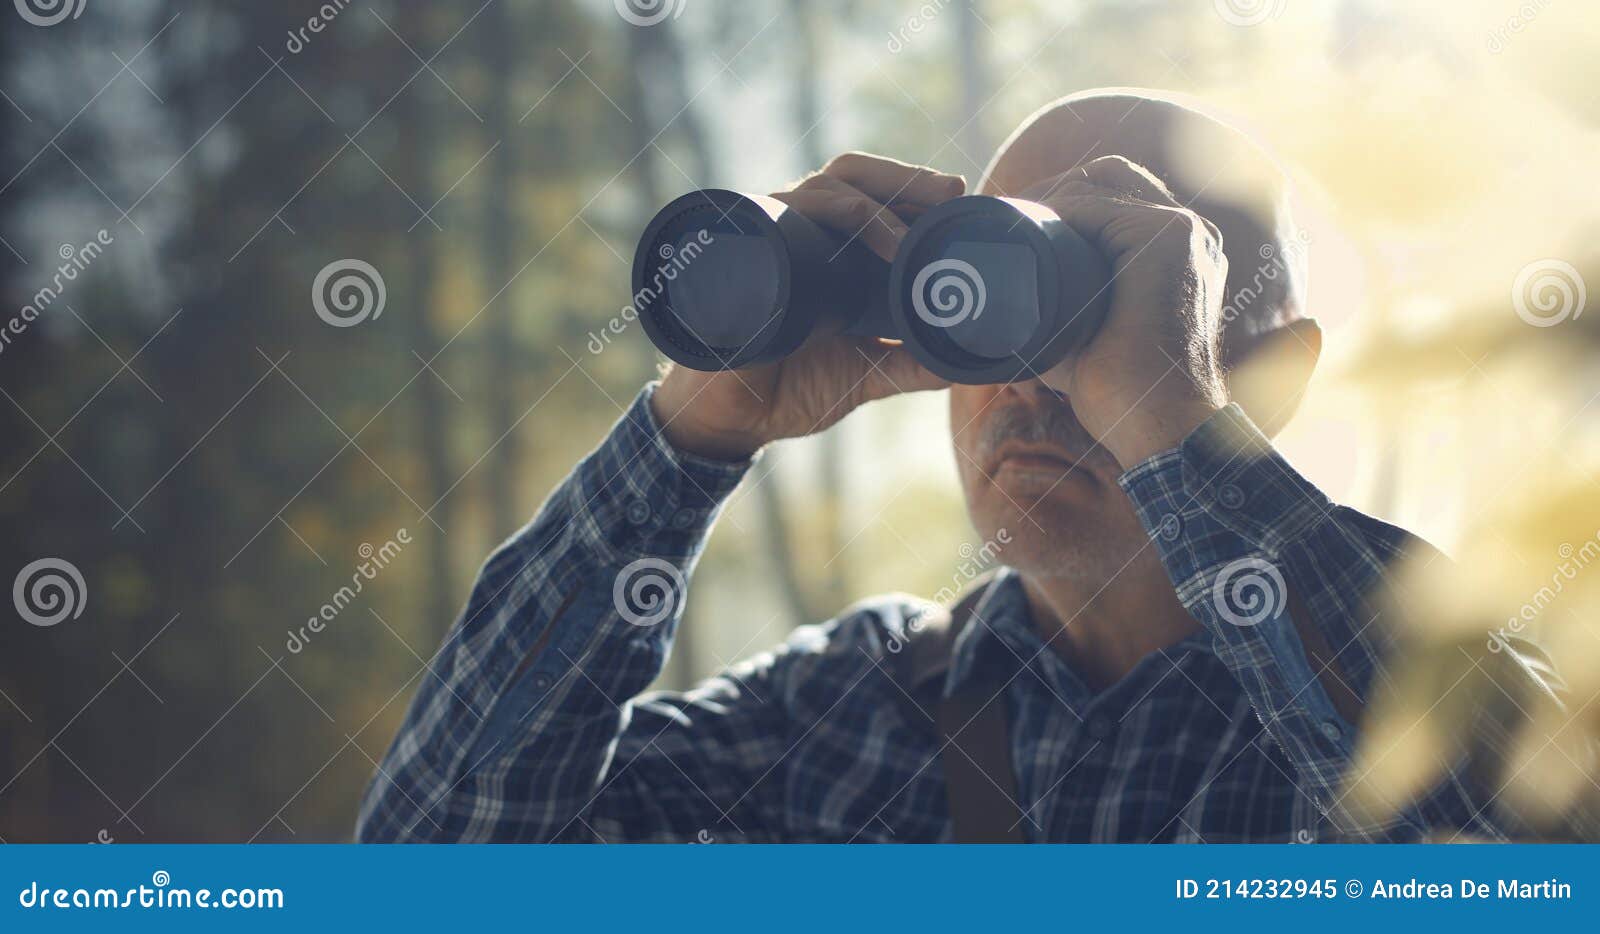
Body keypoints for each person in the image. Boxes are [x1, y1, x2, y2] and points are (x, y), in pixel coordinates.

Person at [355, 89, 1567, 842]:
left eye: (1094, 296)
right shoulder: (843, 718)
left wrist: (1177, 434)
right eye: (984, 289)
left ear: (1272, 374)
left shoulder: (1435, 687)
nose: (1029, 374)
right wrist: (689, 434)